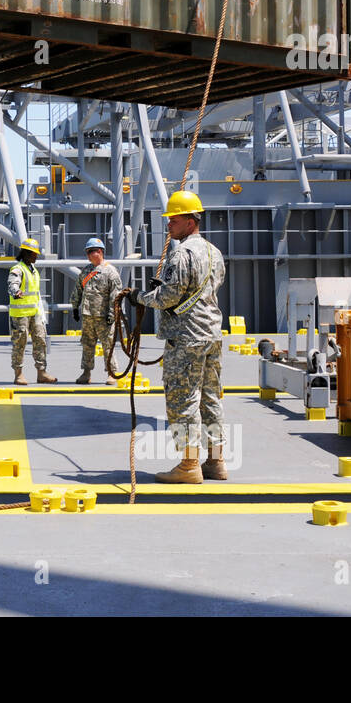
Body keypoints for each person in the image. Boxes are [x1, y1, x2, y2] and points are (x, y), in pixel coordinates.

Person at [122, 191, 226, 484]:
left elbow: (169, 296)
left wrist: (140, 297)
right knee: (210, 398)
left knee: (184, 400)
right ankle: (216, 462)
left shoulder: (181, 254)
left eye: (174, 220)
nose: (169, 226)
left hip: (186, 337)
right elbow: (207, 288)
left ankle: (188, 466)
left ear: (191, 221)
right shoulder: (213, 252)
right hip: (211, 334)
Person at [70, 237, 122, 385]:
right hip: (88, 315)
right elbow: (78, 289)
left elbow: (116, 295)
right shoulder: (86, 271)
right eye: (87, 252)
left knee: (108, 345)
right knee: (87, 344)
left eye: (91, 251)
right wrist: (75, 306)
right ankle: (86, 373)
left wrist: (112, 314)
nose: (88, 254)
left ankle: (112, 373)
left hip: (103, 316)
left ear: (99, 252)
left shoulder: (110, 272)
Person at [8, 237, 58, 385]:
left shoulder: (34, 270)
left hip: (35, 313)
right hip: (20, 315)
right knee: (19, 344)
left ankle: (41, 373)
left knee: (40, 341)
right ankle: (18, 375)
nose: (36, 256)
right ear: (26, 253)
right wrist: (15, 292)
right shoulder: (18, 269)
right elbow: (13, 283)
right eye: (34, 253)